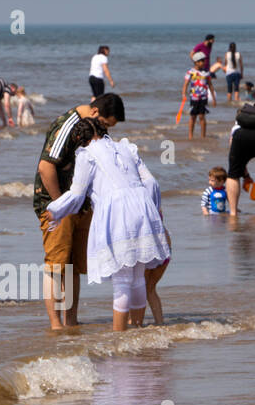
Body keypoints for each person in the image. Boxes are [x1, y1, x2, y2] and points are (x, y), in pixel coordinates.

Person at [44, 119, 170, 331]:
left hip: (117, 212)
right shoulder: (125, 147)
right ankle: (137, 328)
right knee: (138, 276)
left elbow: (76, 194)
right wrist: (152, 209)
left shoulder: (87, 154)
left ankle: (119, 337)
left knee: (122, 279)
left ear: (79, 139)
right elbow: (151, 183)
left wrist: (55, 210)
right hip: (143, 206)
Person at [33, 93, 125, 329]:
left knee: (73, 265)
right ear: (95, 112)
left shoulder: (94, 127)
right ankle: (55, 325)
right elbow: (45, 168)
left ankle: (71, 321)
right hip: (56, 205)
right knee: (56, 265)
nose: (105, 131)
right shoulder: (67, 125)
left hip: (81, 204)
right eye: (105, 124)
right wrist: (61, 205)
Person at [183, 53, 213, 139]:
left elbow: (210, 85)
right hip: (194, 98)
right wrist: (183, 94)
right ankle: (190, 136)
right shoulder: (190, 72)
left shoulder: (206, 72)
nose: (203, 62)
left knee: (202, 116)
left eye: (204, 60)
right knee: (193, 116)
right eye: (201, 61)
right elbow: (185, 84)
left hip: (203, 97)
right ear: (196, 62)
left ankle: (203, 136)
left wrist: (213, 98)